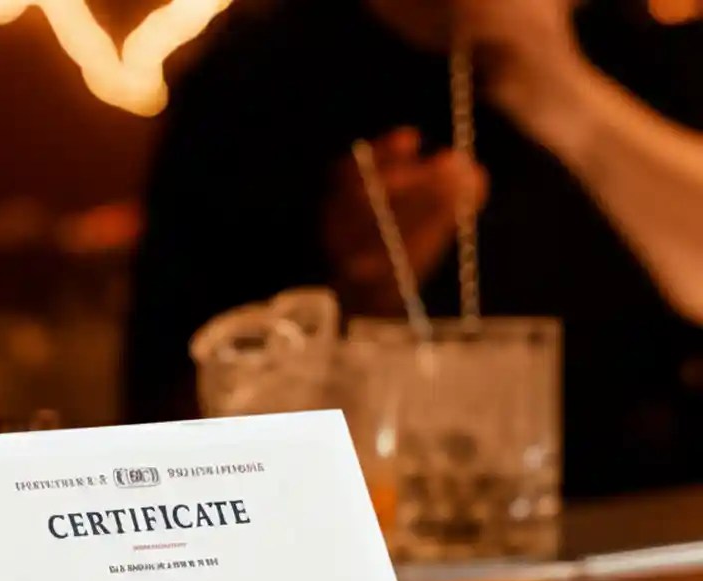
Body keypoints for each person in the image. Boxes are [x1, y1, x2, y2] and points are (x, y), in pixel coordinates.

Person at [124, 0, 703, 498]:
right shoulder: (258, 84)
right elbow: (170, 430)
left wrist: (550, 86)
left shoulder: (634, 41)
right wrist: (359, 297)